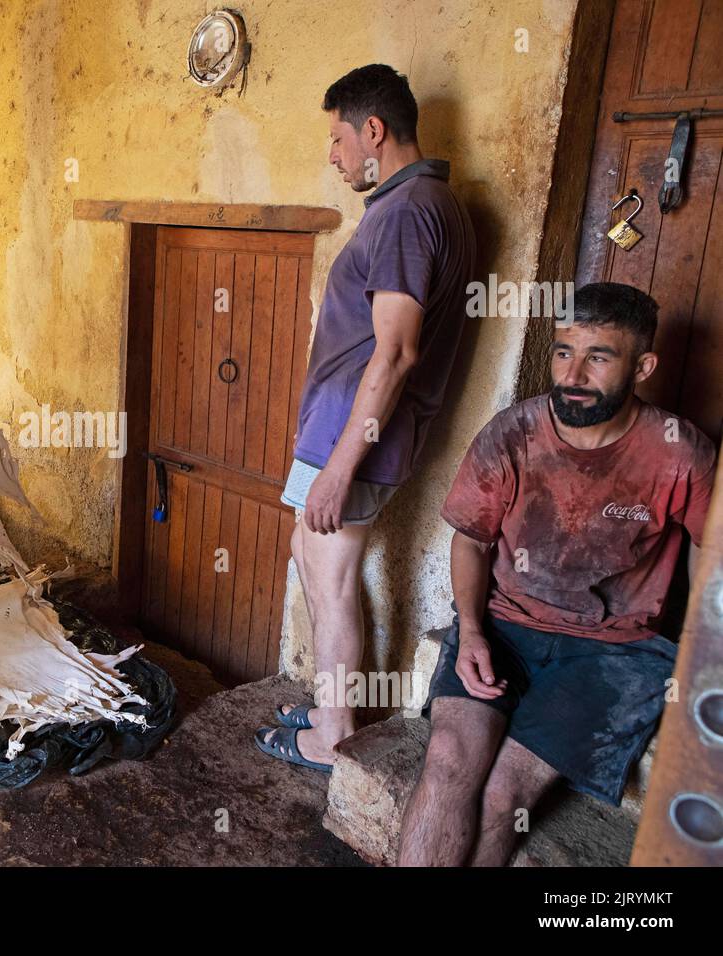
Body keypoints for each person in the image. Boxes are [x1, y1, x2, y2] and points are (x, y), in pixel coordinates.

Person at [399, 283, 716, 866]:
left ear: (642, 366)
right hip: (506, 626)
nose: (573, 373)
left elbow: (708, 548)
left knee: (503, 795)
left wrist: (702, 646)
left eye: (598, 356)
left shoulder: (680, 452)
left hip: (616, 651)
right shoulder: (512, 434)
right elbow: (471, 540)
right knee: (447, 761)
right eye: (564, 351)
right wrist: (470, 631)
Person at [257, 64, 475, 771]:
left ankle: (334, 735)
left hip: (357, 435)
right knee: (315, 558)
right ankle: (329, 711)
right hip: (345, 427)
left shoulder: (410, 212)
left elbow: (397, 353)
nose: (332, 154)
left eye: (337, 137)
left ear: (373, 131)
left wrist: (340, 469)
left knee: (329, 570)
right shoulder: (419, 205)